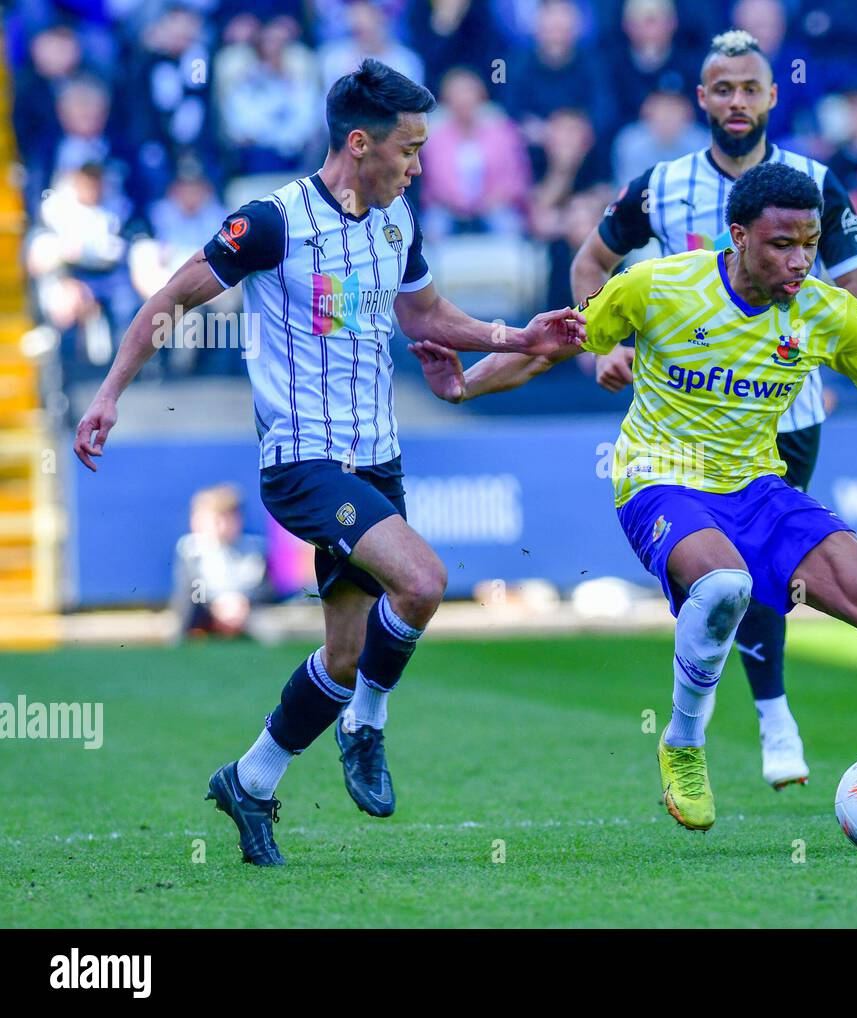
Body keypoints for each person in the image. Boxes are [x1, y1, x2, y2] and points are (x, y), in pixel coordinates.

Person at [411, 161, 857, 845]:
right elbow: (550, 347)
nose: (800, 260)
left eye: (810, 243)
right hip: (659, 477)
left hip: (756, 486)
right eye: (782, 244)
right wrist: (465, 389)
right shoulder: (657, 287)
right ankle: (684, 746)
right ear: (737, 236)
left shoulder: (828, 313)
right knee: (725, 586)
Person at [72, 59, 585, 866]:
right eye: (409, 149)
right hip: (305, 465)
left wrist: (515, 336)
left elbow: (424, 312)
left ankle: (250, 780)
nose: (417, 165)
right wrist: (107, 397)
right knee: (421, 581)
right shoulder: (273, 223)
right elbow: (171, 298)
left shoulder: (395, 220)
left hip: (376, 460)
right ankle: (369, 727)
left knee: (343, 656)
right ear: (359, 143)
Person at [570, 29, 857, 791]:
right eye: (722, 88)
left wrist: (849, 352)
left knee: (769, 572)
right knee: (723, 575)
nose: (737, 101)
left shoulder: (814, 180)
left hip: (786, 409)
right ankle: (764, 717)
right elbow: (589, 266)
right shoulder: (660, 183)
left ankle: (771, 713)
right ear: (701, 99)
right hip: (683, 419)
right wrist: (598, 350)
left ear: (773, 96)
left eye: (750, 88)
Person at [171, 484, 273, 639]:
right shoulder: (190, 550)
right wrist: (215, 606)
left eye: (228, 518)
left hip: (247, 613)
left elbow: (267, 588)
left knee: (269, 626)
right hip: (207, 613)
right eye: (215, 519)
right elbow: (191, 591)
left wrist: (243, 603)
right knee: (186, 614)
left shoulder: (257, 549)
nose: (221, 526)